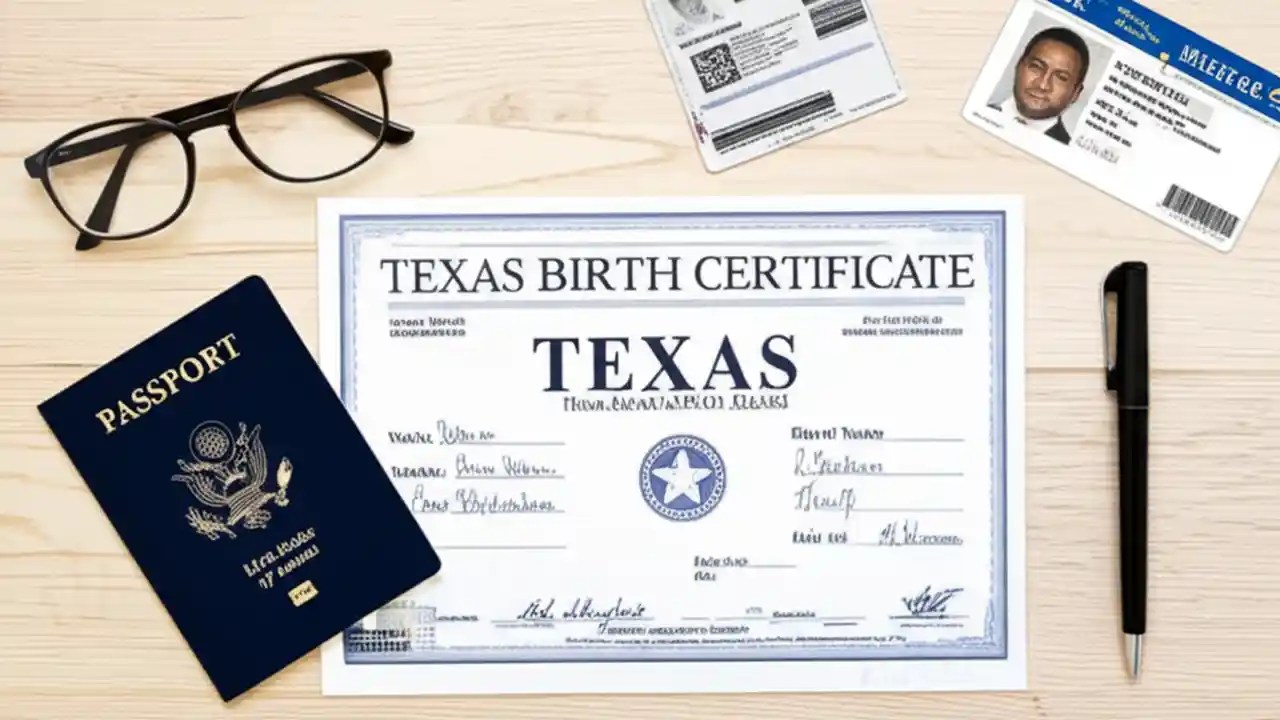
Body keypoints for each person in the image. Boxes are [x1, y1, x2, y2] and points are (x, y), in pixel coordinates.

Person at [991, 27, 1091, 145]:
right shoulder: (979, 108)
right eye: (1036, 67)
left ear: (1076, 93)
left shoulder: (1067, 154)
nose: (1043, 85)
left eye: (1061, 78)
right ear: (1018, 66)